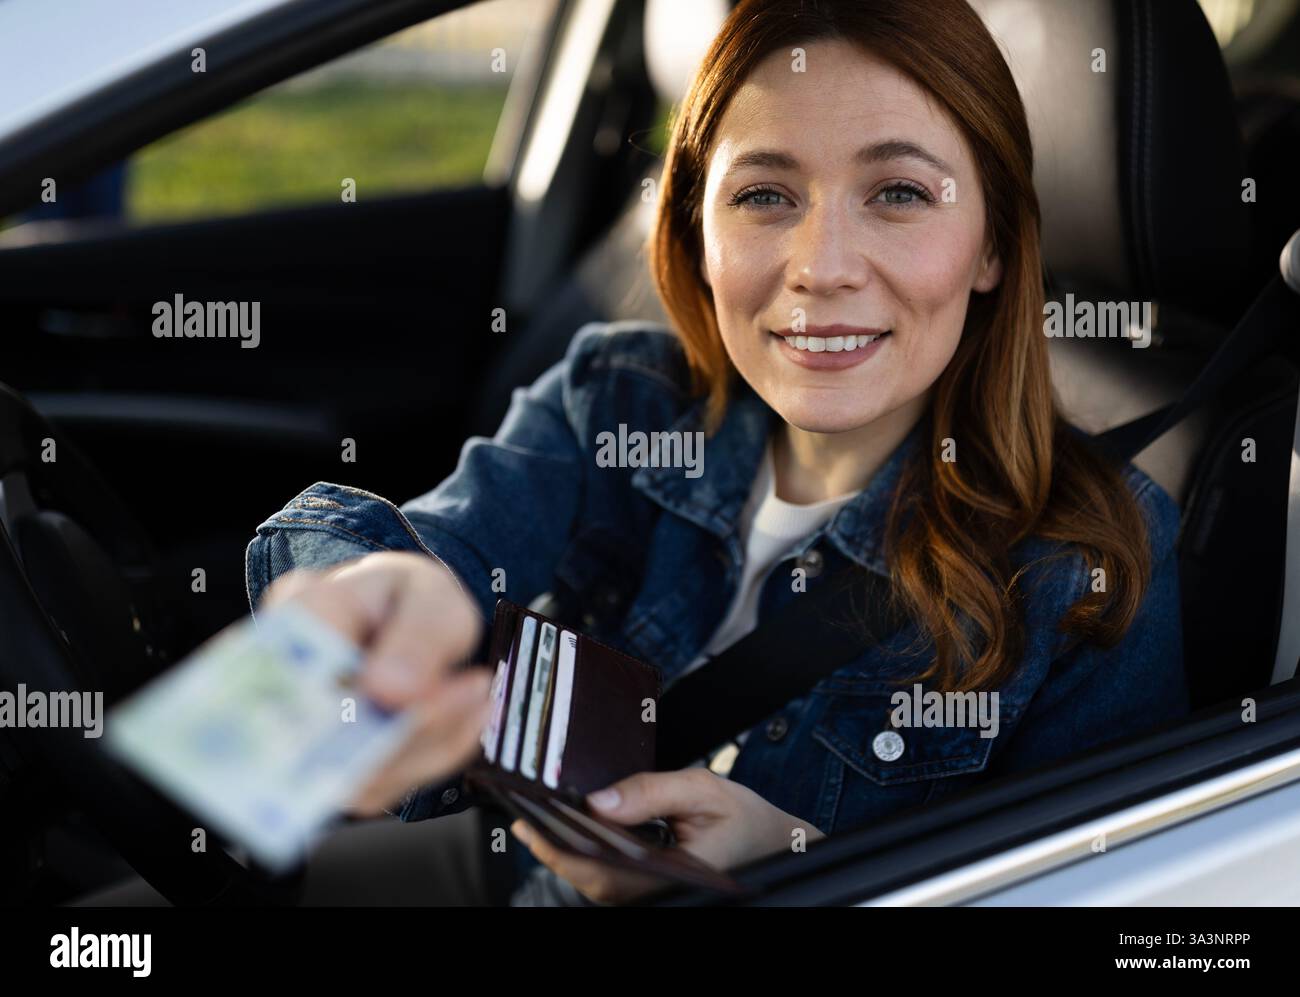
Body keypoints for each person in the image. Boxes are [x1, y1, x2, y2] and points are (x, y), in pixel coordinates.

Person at [113, 0, 1192, 906]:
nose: (820, 265)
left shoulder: (1092, 565)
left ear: (996, 241)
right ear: (694, 224)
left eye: (899, 194)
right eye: (765, 194)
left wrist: (799, 867)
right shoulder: (618, 399)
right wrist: (384, 590)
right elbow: (414, 551)